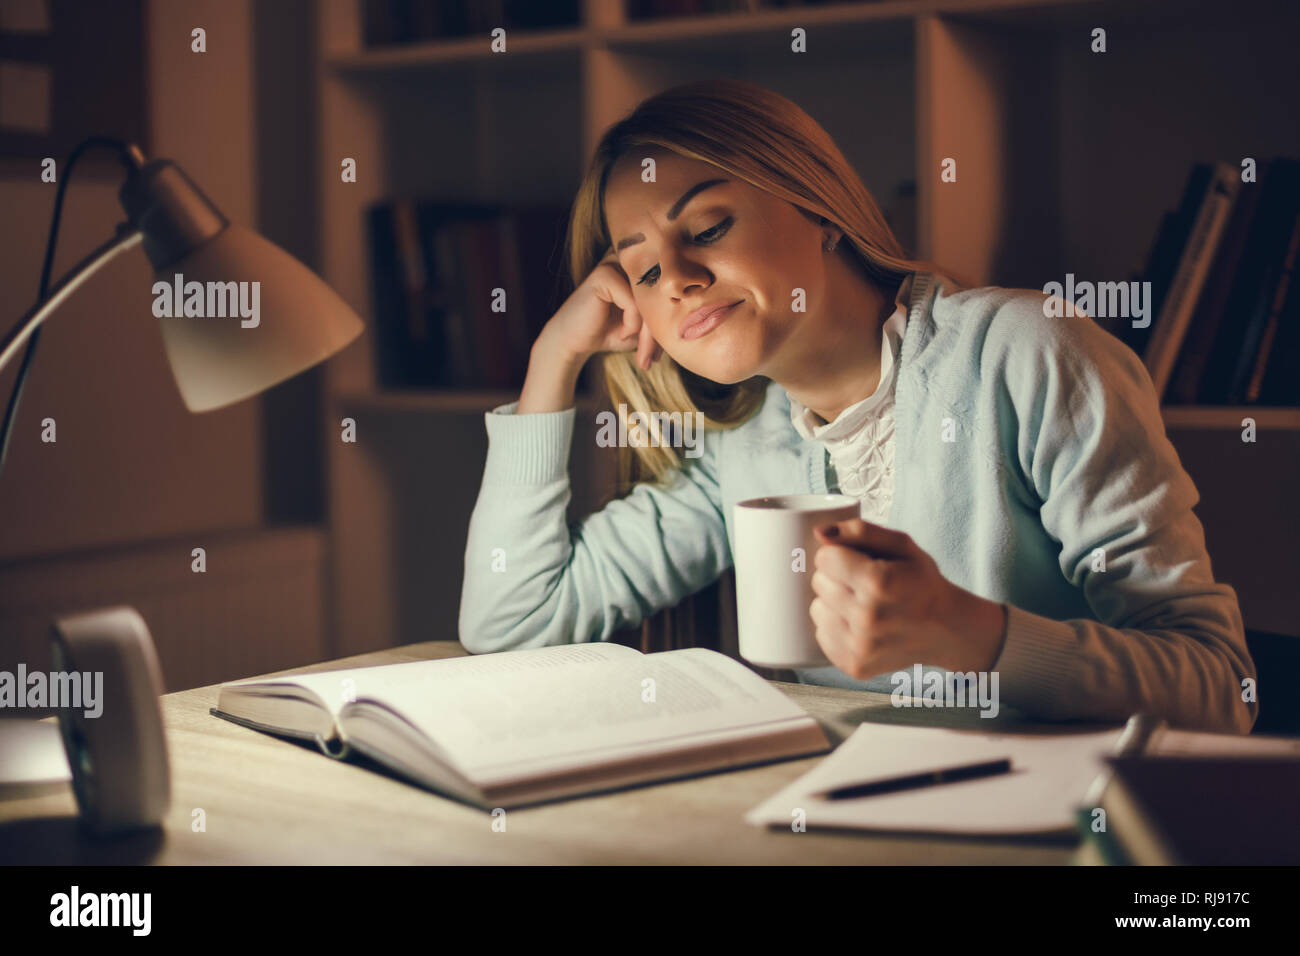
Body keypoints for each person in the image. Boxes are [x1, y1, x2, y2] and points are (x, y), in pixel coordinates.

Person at [459, 78, 1256, 734]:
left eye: (708, 225)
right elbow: (514, 622)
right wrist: (549, 364)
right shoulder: (743, 446)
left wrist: (976, 636)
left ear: (819, 209)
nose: (674, 277)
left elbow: (1221, 690)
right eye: (638, 271)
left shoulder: (1024, 353)